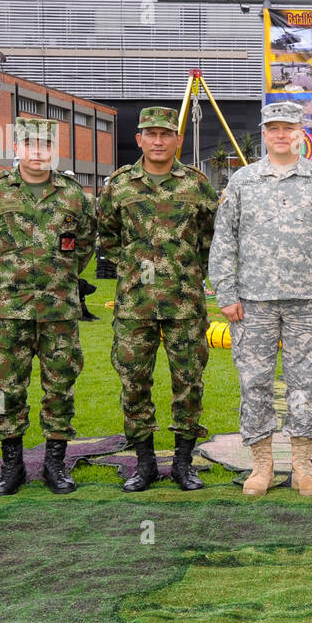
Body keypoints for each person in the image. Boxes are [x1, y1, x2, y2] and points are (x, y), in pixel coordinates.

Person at [209, 100, 312, 496]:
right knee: (254, 382)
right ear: (264, 133)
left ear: (300, 132)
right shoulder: (243, 181)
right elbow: (224, 240)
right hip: (251, 302)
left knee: (305, 383)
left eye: (288, 128)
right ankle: (262, 466)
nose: (280, 134)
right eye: (273, 127)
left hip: (308, 303)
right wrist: (225, 292)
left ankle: (302, 467)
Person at [0, 118, 96, 497]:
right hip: (9, 310)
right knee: (6, 388)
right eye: (30, 144)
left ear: (55, 150)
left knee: (60, 385)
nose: (38, 151)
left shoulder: (74, 195)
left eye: (46, 145)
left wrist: (60, 276)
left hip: (59, 310)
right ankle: (12, 465)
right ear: (17, 148)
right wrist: (2, 277)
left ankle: (55, 463)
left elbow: (84, 243)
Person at [97, 106, 219, 493]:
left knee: (188, 381)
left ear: (177, 140)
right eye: (150, 134)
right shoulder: (119, 185)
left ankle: (184, 463)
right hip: (135, 304)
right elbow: (108, 237)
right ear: (139, 140)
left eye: (165, 134)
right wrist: (137, 268)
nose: (158, 141)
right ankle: (144, 463)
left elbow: (210, 239)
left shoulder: (197, 185)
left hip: (184, 304)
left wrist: (184, 270)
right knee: (134, 381)